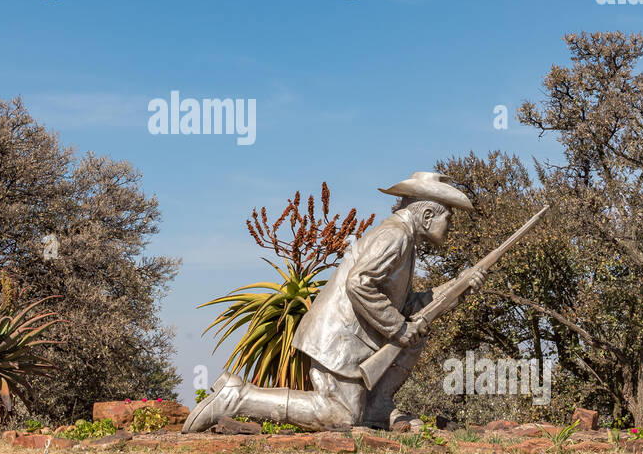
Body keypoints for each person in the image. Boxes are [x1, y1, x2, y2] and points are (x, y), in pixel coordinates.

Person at [181, 171, 484, 433]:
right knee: (339, 415)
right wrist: (396, 328)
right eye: (448, 216)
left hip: (348, 340)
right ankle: (239, 397)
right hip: (339, 340)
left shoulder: (403, 238)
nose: (450, 223)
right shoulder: (394, 237)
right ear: (427, 215)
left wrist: (458, 287)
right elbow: (359, 284)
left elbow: (408, 306)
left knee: (415, 330)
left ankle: (377, 408)